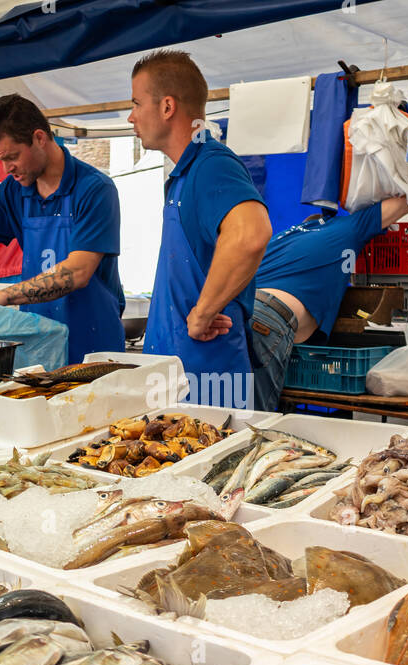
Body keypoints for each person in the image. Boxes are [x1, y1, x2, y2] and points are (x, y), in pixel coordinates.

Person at [0, 95, 125, 365]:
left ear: (39, 138)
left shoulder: (95, 189)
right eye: (0, 160)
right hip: (38, 344)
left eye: (12, 157)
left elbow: (77, 272)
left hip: (93, 346)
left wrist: (0, 297)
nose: (6, 169)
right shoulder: (13, 191)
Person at [128, 50, 272, 409]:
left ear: (167, 107)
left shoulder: (212, 163)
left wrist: (203, 313)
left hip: (207, 380)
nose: (131, 117)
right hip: (174, 373)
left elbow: (251, 234)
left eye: (136, 104)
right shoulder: (183, 174)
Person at [249, 196, 408, 410]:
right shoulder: (348, 228)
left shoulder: (281, 239)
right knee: (255, 417)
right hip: (268, 319)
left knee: (232, 409)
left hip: (238, 312)